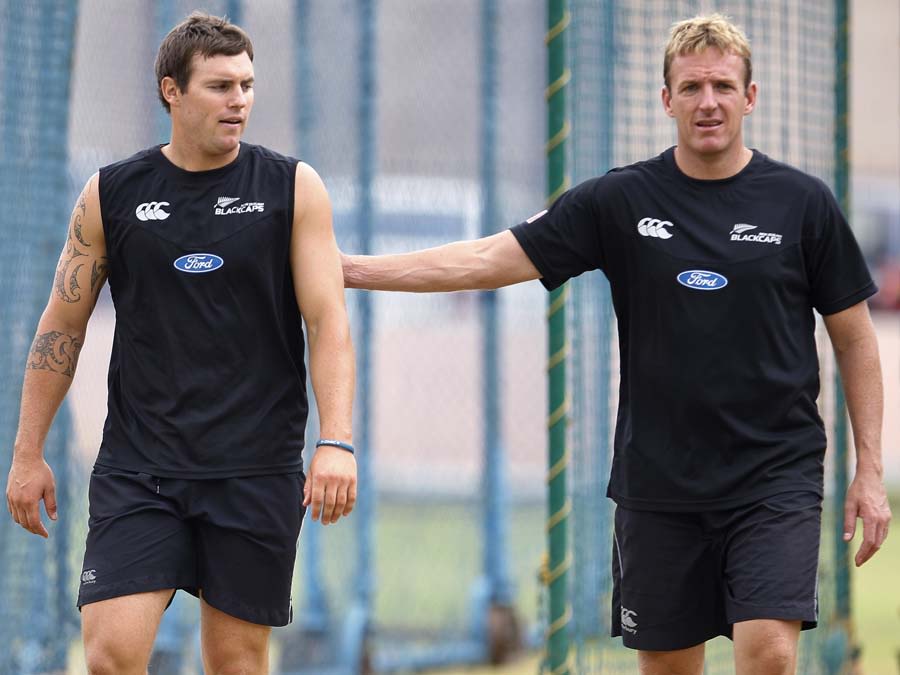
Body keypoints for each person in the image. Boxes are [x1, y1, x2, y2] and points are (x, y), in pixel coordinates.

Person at [342, 13, 891, 675]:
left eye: (722, 86)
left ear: (750, 97)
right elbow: (487, 258)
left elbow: (857, 341)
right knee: (666, 668)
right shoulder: (620, 200)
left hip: (774, 478)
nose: (707, 102)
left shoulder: (803, 204)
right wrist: (351, 270)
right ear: (666, 100)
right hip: (658, 482)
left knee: (769, 653)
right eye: (690, 88)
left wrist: (868, 470)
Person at [5, 12, 356, 675]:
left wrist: (335, 441)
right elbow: (61, 328)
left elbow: (328, 322)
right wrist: (27, 454)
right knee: (110, 654)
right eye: (221, 86)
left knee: (237, 662)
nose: (240, 101)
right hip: (143, 466)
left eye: (247, 86)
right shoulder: (112, 194)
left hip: (254, 466)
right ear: (172, 90)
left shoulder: (291, 189)